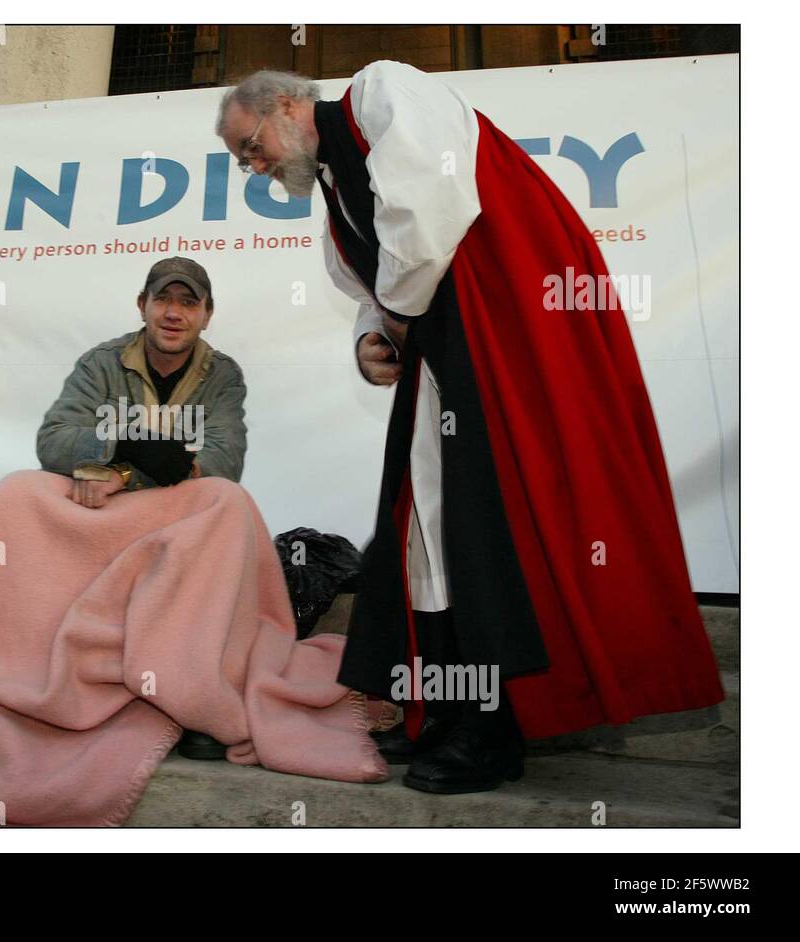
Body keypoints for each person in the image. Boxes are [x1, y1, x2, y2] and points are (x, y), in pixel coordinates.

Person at [214, 62, 724, 793]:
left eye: (249, 144)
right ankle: (454, 710)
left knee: (493, 522)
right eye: (242, 159)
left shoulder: (382, 93)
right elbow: (375, 291)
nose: (252, 167)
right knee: (431, 530)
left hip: (510, 341)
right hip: (448, 353)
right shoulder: (332, 198)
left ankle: (498, 726)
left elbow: (428, 219)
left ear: (290, 105)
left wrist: (394, 313)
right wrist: (373, 339)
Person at [37, 256, 248, 759]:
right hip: (107, 524)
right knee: (21, 492)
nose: (174, 313)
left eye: (188, 303)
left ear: (206, 315)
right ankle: (42, 667)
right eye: (163, 300)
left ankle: (196, 694)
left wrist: (125, 474)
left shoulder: (224, 375)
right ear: (142, 306)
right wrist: (123, 447)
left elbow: (223, 460)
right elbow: (52, 442)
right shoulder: (100, 363)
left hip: (179, 526)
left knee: (229, 502)